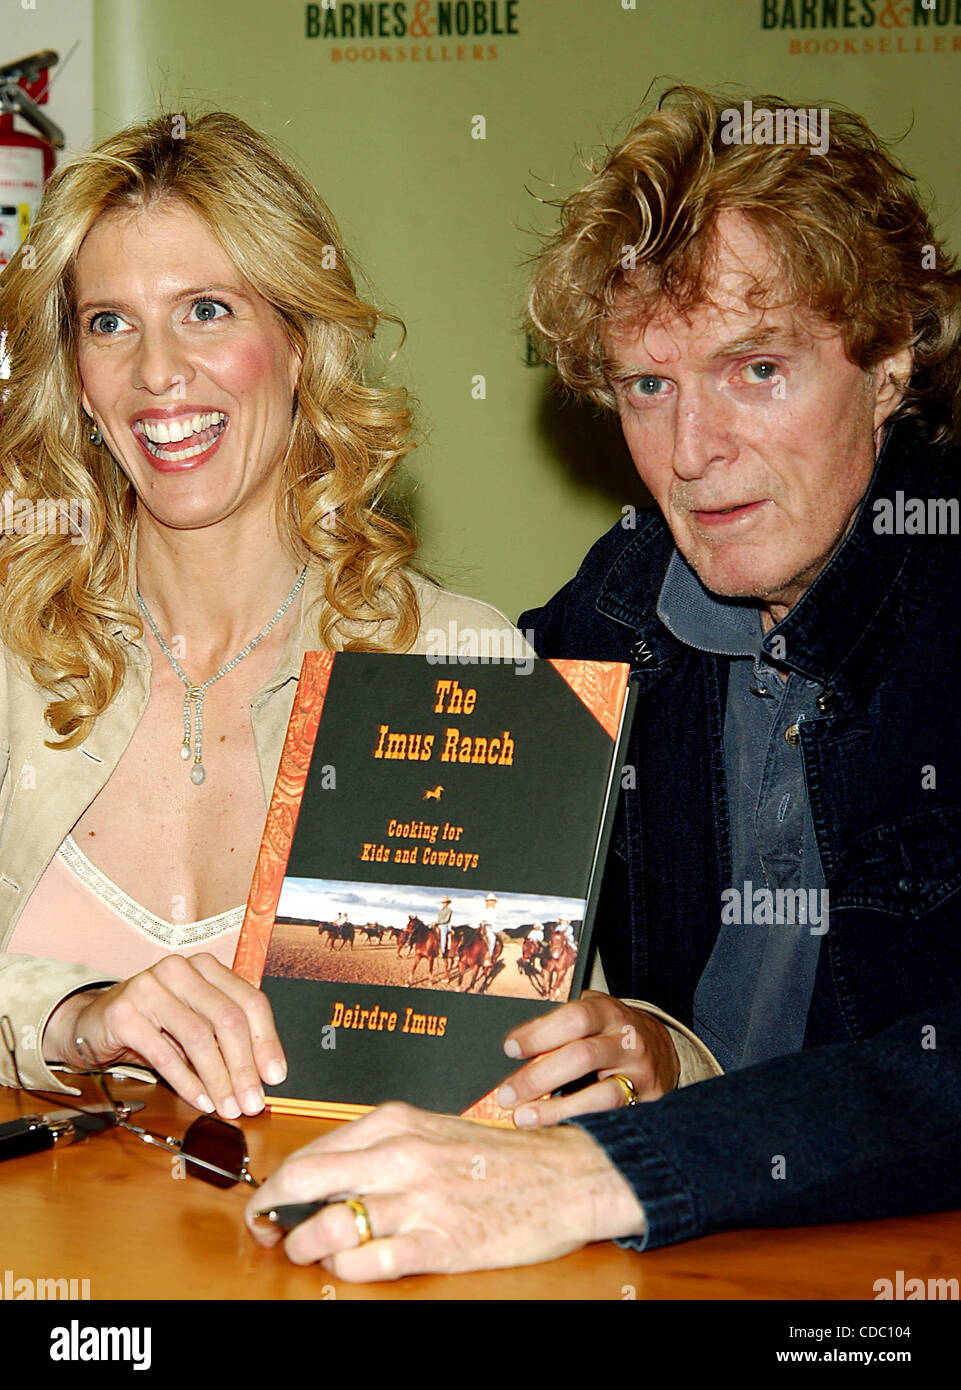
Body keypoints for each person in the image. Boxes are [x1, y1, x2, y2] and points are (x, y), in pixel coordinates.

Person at [246, 85, 961, 1281]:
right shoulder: (619, 606)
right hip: (681, 1266)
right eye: (647, 386)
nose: (692, 451)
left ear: (888, 361)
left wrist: (610, 1169)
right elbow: (421, 893)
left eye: (757, 370)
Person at [0, 110, 527, 1116]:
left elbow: (535, 1059)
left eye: (206, 310)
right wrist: (74, 1018)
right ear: (75, 376)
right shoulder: (10, 651)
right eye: (109, 322)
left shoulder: (450, 660)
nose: (158, 373)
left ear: (296, 342)